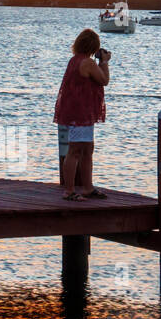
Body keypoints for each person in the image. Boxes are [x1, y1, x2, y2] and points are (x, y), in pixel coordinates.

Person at [53, 28, 110, 202]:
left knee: (87, 150)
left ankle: (88, 187)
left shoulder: (74, 60)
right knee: (75, 151)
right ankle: (69, 191)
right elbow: (104, 80)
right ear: (93, 47)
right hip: (81, 114)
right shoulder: (88, 63)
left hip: (78, 112)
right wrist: (105, 62)